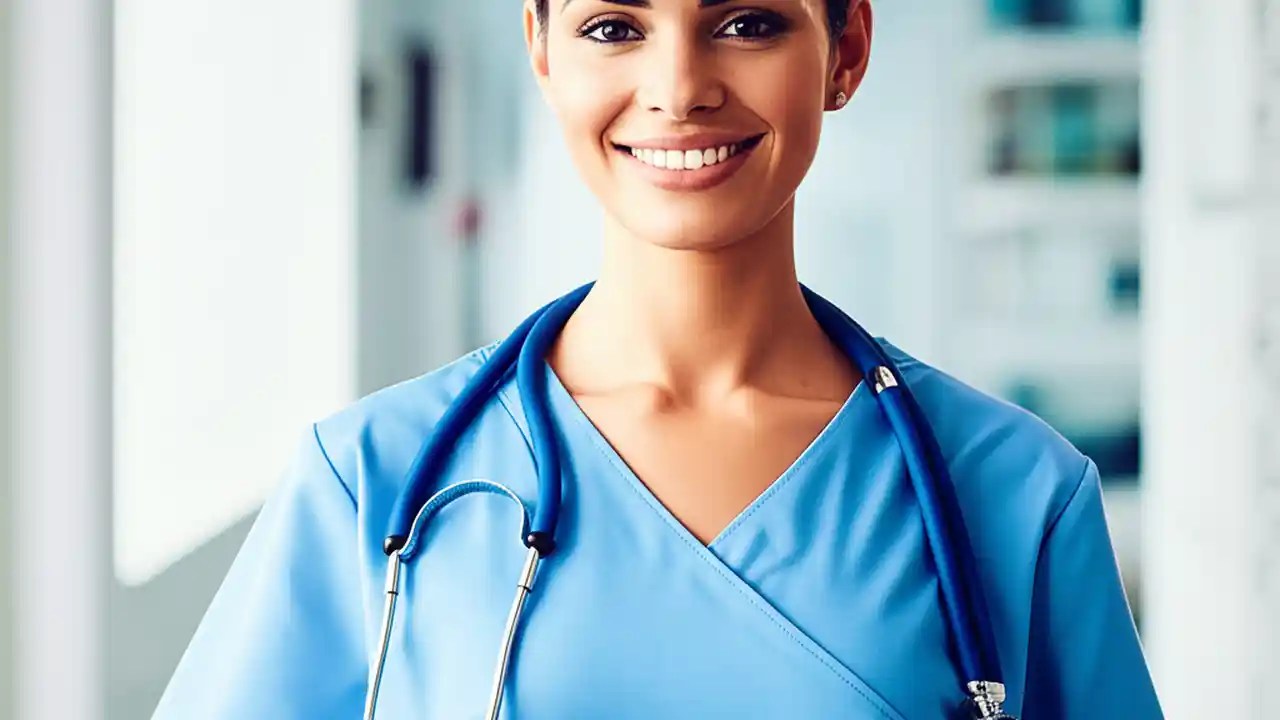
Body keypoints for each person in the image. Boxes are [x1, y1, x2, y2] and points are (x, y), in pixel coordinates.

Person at [153, 1, 1164, 717]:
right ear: (542, 51)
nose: (678, 87)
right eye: (612, 29)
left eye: (747, 22)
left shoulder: (1013, 493)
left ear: (845, 48)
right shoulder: (371, 478)